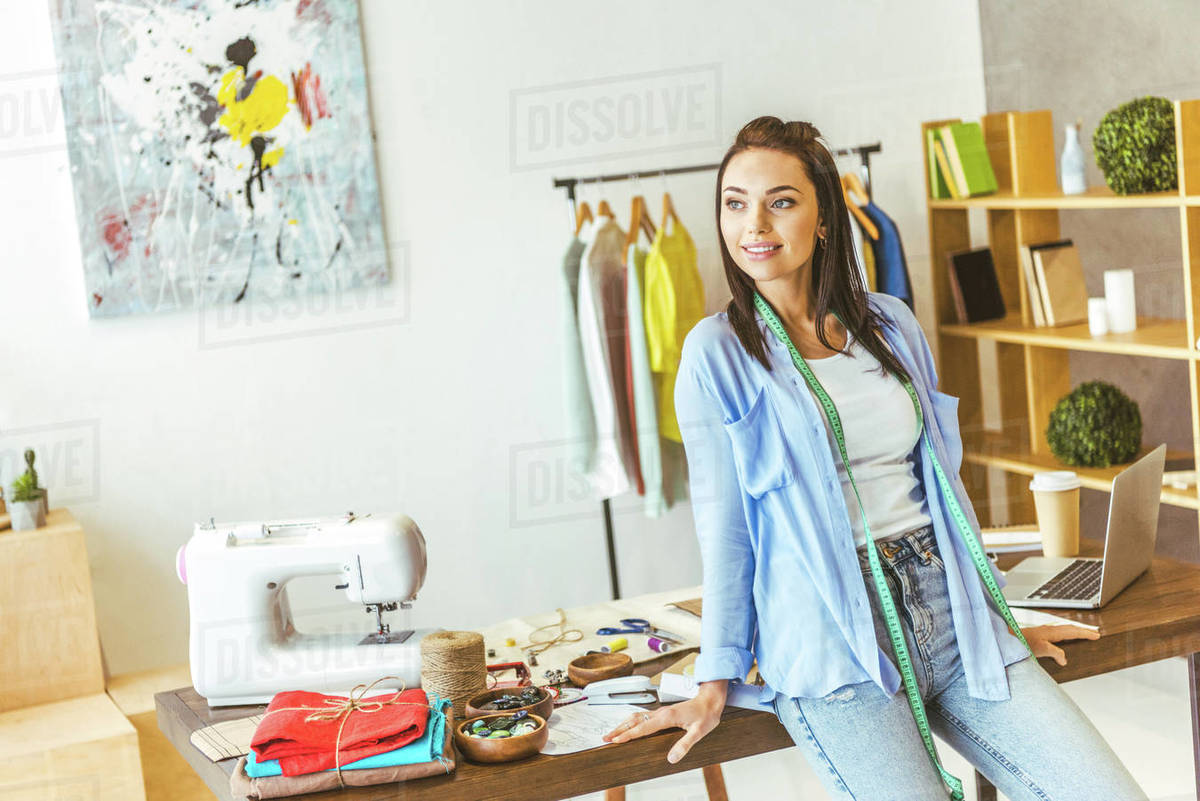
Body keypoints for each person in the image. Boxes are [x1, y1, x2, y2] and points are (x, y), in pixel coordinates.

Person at [601, 117, 1148, 801]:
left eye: (781, 200)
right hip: (833, 644)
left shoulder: (890, 324)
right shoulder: (718, 355)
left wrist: (996, 615)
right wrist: (716, 678)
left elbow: (942, 486)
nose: (754, 223)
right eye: (735, 202)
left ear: (825, 216)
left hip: (948, 610)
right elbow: (726, 530)